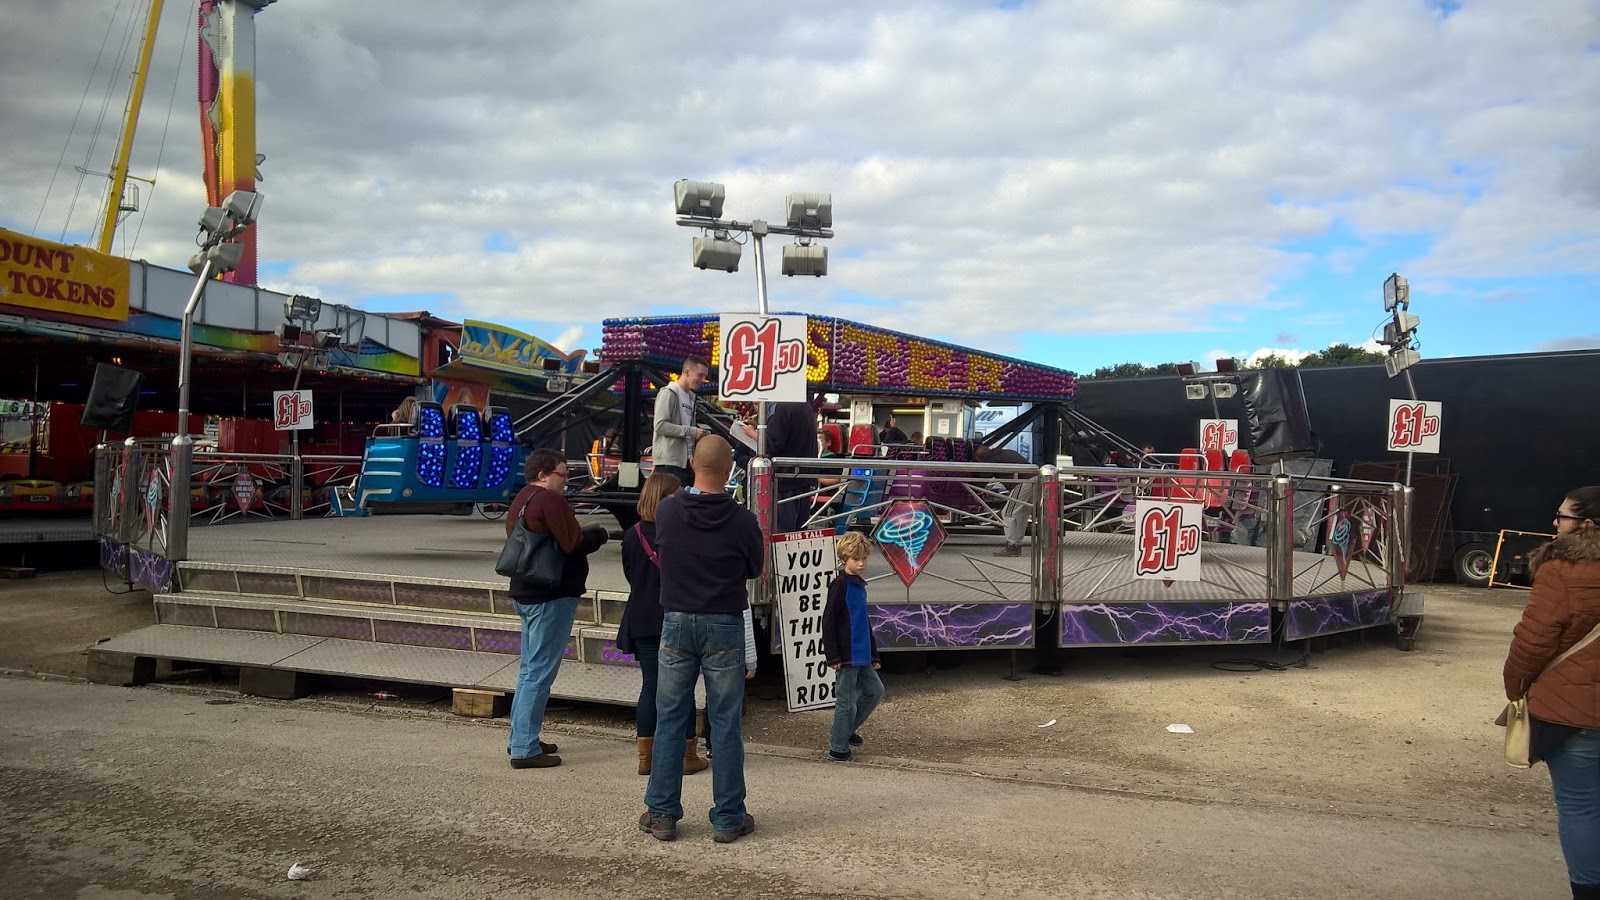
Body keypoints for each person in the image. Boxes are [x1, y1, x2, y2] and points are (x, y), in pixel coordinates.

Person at [639, 436, 764, 844]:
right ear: (731, 470)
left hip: (675, 620)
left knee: (670, 716)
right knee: (725, 722)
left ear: (692, 463)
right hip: (724, 622)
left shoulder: (669, 511)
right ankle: (728, 816)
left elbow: (664, 551)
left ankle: (661, 813)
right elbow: (753, 568)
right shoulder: (744, 520)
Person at [1502, 486, 1600, 899]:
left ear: (1587, 526)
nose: (1555, 524)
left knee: (1581, 807)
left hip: (1574, 711)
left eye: (1563, 517)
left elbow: (1534, 640)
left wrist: (1516, 689)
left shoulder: (1563, 569)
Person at [504, 449, 609, 769]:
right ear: (543, 475)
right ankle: (524, 748)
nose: (566, 481)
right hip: (550, 595)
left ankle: (523, 737)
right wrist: (598, 535)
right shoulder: (550, 501)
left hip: (525, 591)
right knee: (539, 671)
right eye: (562, 474)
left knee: (529, 669)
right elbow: (572, 543)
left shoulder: (522, 497)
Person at [617, 471, 708, 777]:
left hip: (641, 617)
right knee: (681, 688)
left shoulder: (632, 535)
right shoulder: (681, 531)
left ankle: (646, 756)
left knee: (651, 686)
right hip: (675, 615)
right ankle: (686, 754)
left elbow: (630, 575)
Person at [822, 532, 883, 762]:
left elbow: (863, 620)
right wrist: (832, 654)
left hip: (862, 653)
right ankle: (838, 746)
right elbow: (828, 620)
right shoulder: (840, 584)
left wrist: (874, 652)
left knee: (875, 691)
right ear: (843, 559)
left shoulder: (859, 585)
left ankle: (844, 730)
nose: (861, 563)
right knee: (845, 701)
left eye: (864, 559)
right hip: (847, 655)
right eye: (856, 559)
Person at [652, 355, 711, 486]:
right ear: (687, 372)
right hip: (670, 463)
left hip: (687, 462)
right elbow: (660, 425)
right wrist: (692, 431)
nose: (703, 380)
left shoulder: (691, 397)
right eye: (700, 375)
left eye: (704, 376)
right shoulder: (668, 393)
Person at [765, 400, 818, 534]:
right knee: (796, 535)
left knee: (781, 535)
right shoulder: (805, 405)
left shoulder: (782, 407)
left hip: (784, 480)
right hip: (802, 478)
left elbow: (772, 444)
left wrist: (750, 433)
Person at [975, 442, 1034, 557]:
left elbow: (982, 480)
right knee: (1022, 513)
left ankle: (1012, 546)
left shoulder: (991, 460)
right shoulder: (1006, 452)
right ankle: (1016, 544)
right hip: (1035, 480)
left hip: (1023, 482)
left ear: (980, 458)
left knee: (1008, 513)